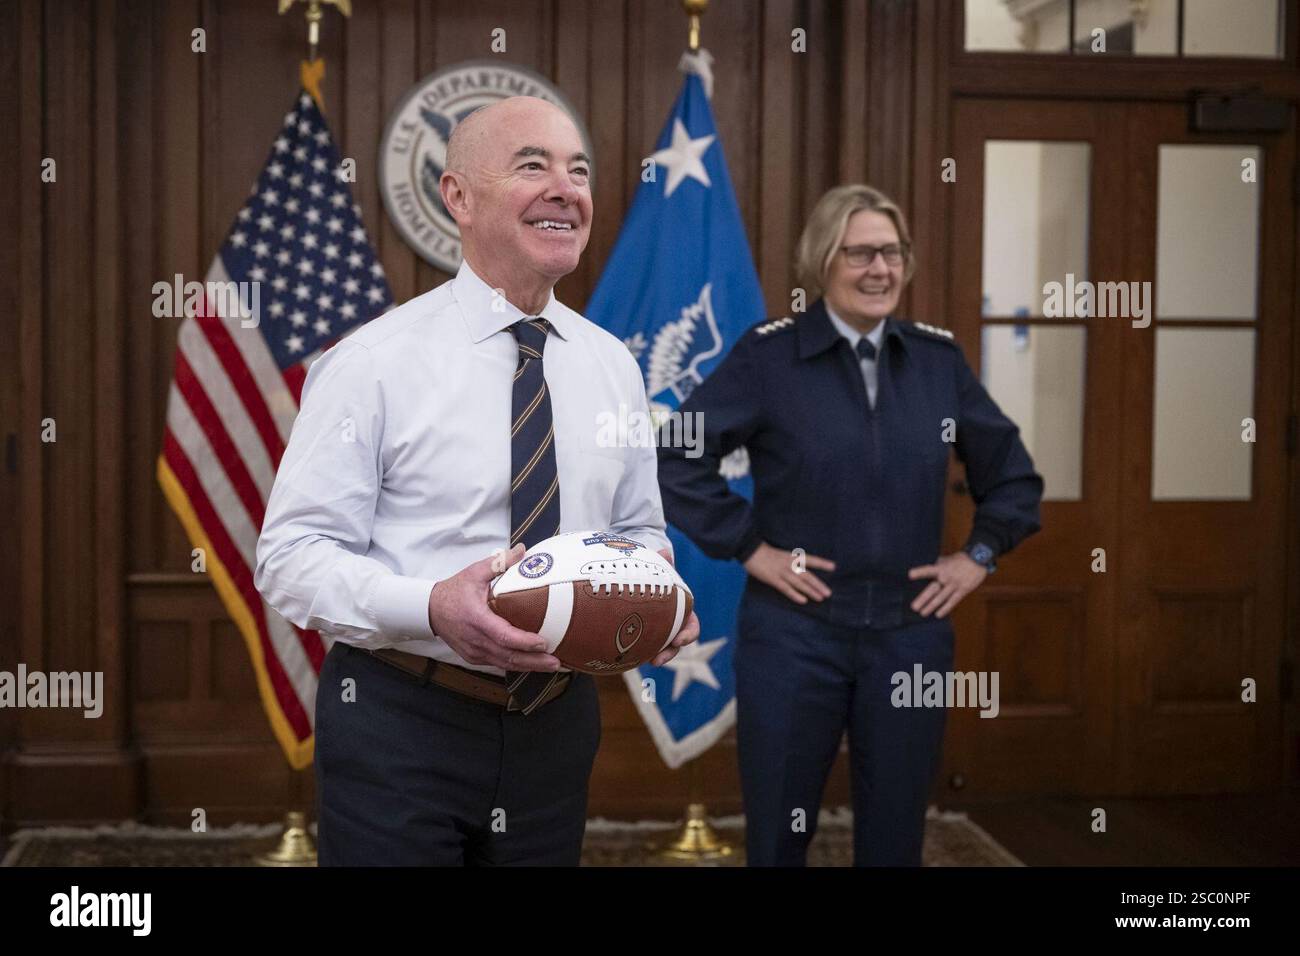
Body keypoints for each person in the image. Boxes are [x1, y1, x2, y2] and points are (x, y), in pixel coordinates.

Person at [255, 96, 699, 866]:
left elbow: (641, 530)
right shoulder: (371, 363)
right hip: (400, 719)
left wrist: (656, 596)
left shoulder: (613, 366)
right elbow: (289, 558)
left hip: (557, 726)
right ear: (457, 196)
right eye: (533, 165)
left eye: (579, 170)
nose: (566, 187)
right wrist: (431, 605)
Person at [656, 184, 1042, 866]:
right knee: (778, 832)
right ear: (821, 262)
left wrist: (977, 555)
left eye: (892, 253)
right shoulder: (769, 357)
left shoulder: (936, 361)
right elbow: (678, 452)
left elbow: (1014, 478)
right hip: (793, 635)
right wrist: (750, 548)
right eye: (860, 252)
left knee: (895, 837)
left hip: (908, 636)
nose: (880, 269)